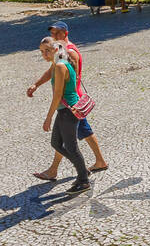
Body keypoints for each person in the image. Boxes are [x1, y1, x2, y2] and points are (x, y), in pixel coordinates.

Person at [29, 21, 109, 178]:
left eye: (57, 33)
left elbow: (68, 80)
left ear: (65, 33)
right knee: (73, 136)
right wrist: (36, 84)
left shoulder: (68, 53)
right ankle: (98, 162)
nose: (54, 36)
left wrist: (49, 116)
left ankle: (77, 173)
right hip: (69, 104)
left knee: (68, 141)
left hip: (72, 103)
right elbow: (51, 71)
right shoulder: (59, 54)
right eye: (52, 33)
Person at [37, 36, 91, 195]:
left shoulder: (61, 66)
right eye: (41, 52)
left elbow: (57, 95)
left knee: (71, 147)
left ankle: (83, 180)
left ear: (55, 49)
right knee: (56, 143)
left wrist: (48, 117)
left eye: (47, 51)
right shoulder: (57, 63)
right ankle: (82, 170)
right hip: (64, 111)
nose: (44, 54)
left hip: (69, 111)